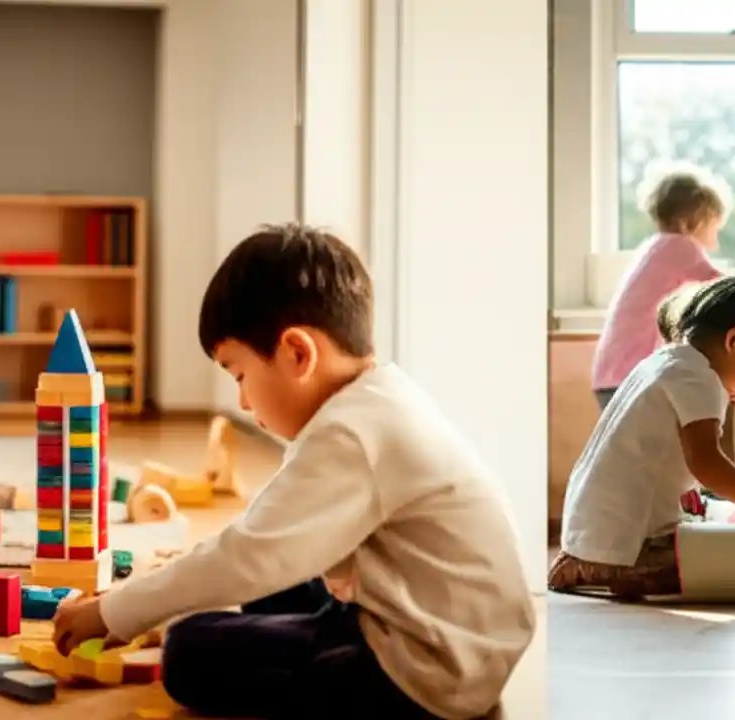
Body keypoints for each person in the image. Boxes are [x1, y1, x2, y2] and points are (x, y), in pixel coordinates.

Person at [51, 224, 536, 720]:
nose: (242, 398)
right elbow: (268, 539)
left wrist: (116, 611)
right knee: (275, 580)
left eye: (239, 374)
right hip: (450, 632)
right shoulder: (378, 401)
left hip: (424, 671)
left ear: (297, 354)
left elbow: (248, 557)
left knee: (189, 651)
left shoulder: (350, 435)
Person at [549, 275, 735, 599]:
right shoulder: (700, 378)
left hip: (586, 535)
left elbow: (653, 450)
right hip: (629, 547)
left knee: (705, 522)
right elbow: (707, 462)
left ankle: (588, 561)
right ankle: (613, 568)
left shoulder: (663, 361)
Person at [591, 161, 735, 410]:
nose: (715, 240)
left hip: (612, 374)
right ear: (693, 221)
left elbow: (714, 280)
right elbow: (723, 287)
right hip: (629, 375)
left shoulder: (656, 248)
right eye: (714, 228)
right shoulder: (681, 246)